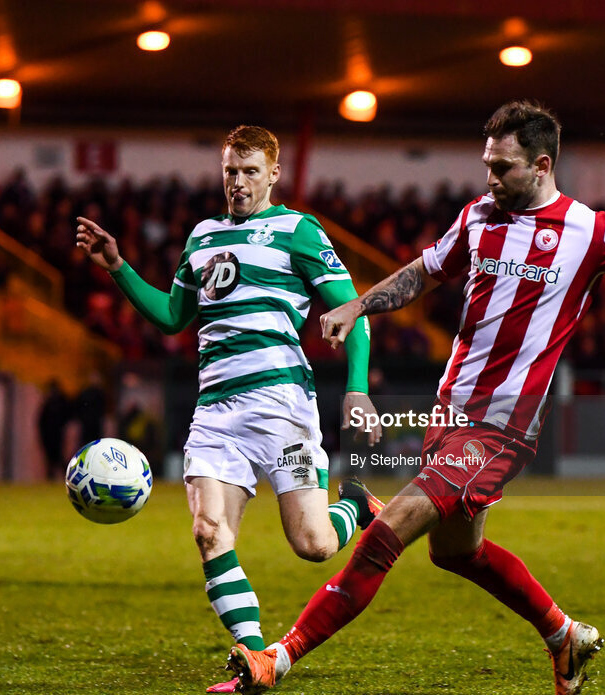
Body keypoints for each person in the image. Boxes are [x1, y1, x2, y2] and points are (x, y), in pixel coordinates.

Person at [226, 100, 605, 695]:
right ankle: (564, 635)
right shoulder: (477, 217)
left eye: (503, 167)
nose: (490, 178)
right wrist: (359, 304)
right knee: (456, 552)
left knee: (390, 532)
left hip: (505, 423)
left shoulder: (592, 231)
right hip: (451, 410)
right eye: (487, 165)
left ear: (542, 165)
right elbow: (424, 273)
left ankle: (278, 659)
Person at [75, 125, 385, 693]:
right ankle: (255, 657)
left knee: (313, 545)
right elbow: (173, 317)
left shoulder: (298, 231)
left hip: (283, 407)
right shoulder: (202, 236)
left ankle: (355, 506)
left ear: (273, 174)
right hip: (215, 411)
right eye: (230, 172)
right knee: (208, 531)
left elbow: (353, 312)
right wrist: (118, 266)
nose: (238, 182)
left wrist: (358, 387)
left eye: (249, 172)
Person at [38, 379, 70, 479]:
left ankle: (66, 475)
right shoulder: (49, 403)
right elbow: (41, 421)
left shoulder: (59, 402)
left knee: (57, 457)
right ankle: (52, 477)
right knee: (51, 459)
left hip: (57, 434)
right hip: (49, 434)